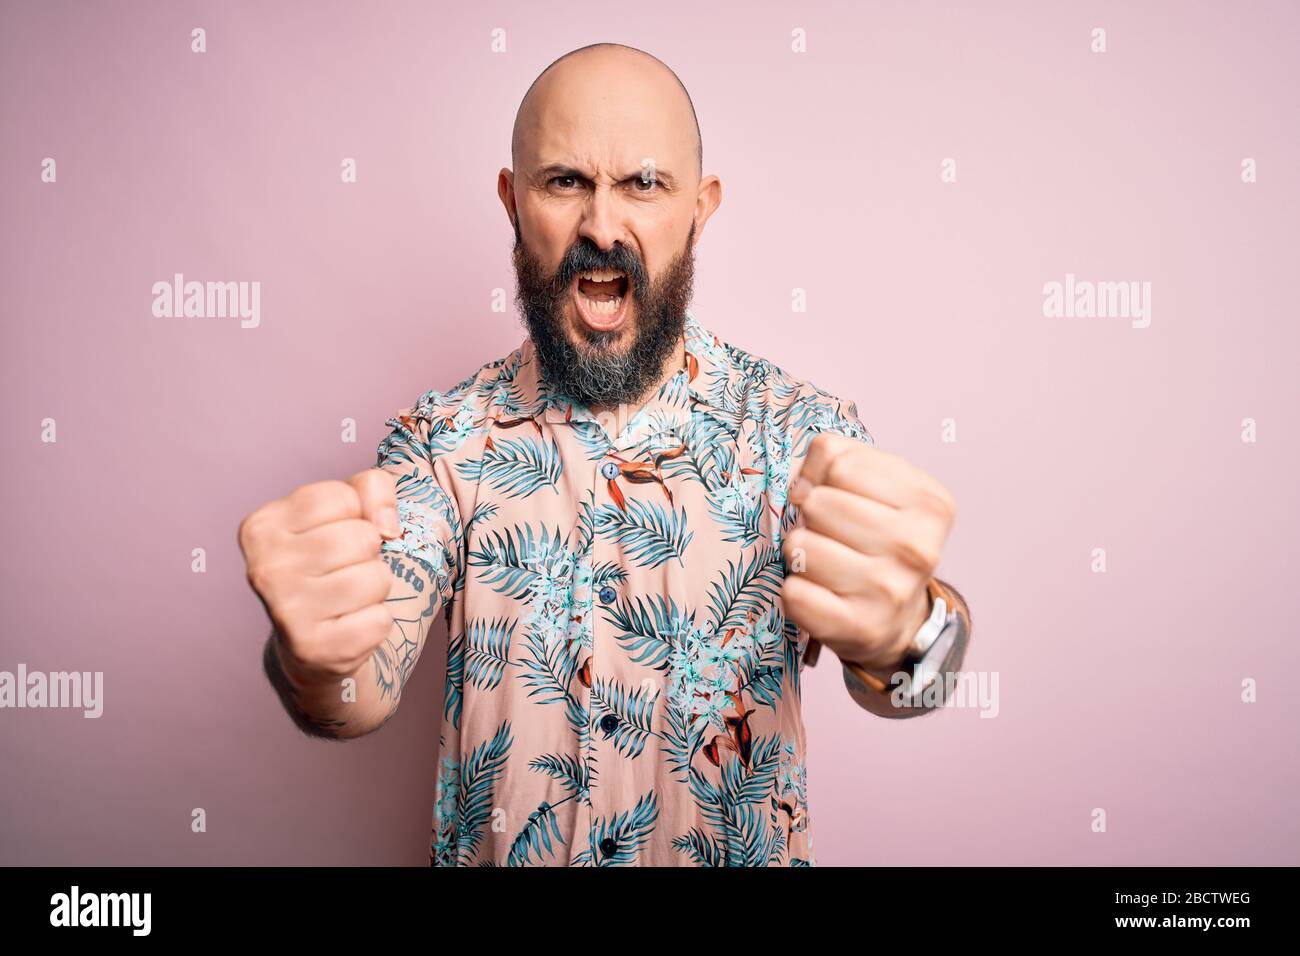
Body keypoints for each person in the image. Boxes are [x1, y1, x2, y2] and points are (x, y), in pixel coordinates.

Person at [238, 42, 971, 867]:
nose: (602, 226)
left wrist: (912, 634)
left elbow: (925, 687)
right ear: (513, 203)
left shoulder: (796, 433)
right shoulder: (439, 442)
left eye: (645, 184)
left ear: (701, 207)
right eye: (565, 182)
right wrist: (307, 658)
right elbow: (350, 698)